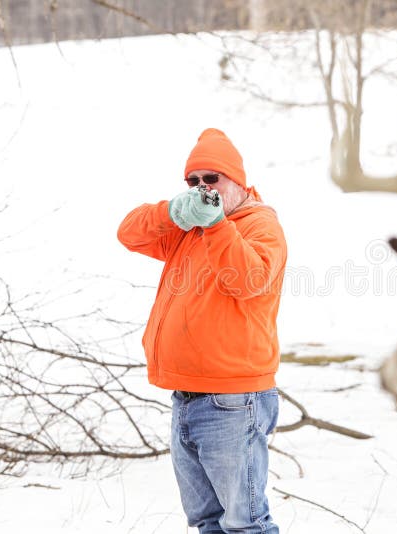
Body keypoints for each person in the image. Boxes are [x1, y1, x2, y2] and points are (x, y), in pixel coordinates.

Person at [117, 128, 287, 534]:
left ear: (237, 182)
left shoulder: (260, 226)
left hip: (233, 398)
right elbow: (128, 233)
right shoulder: (189, 226)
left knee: (245, 523)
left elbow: (247, 280)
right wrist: (172, 212)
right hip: (187, 396)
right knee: (207, 522)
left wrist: (216, 227)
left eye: (212, 179)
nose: (202, 189)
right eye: (193, 181)